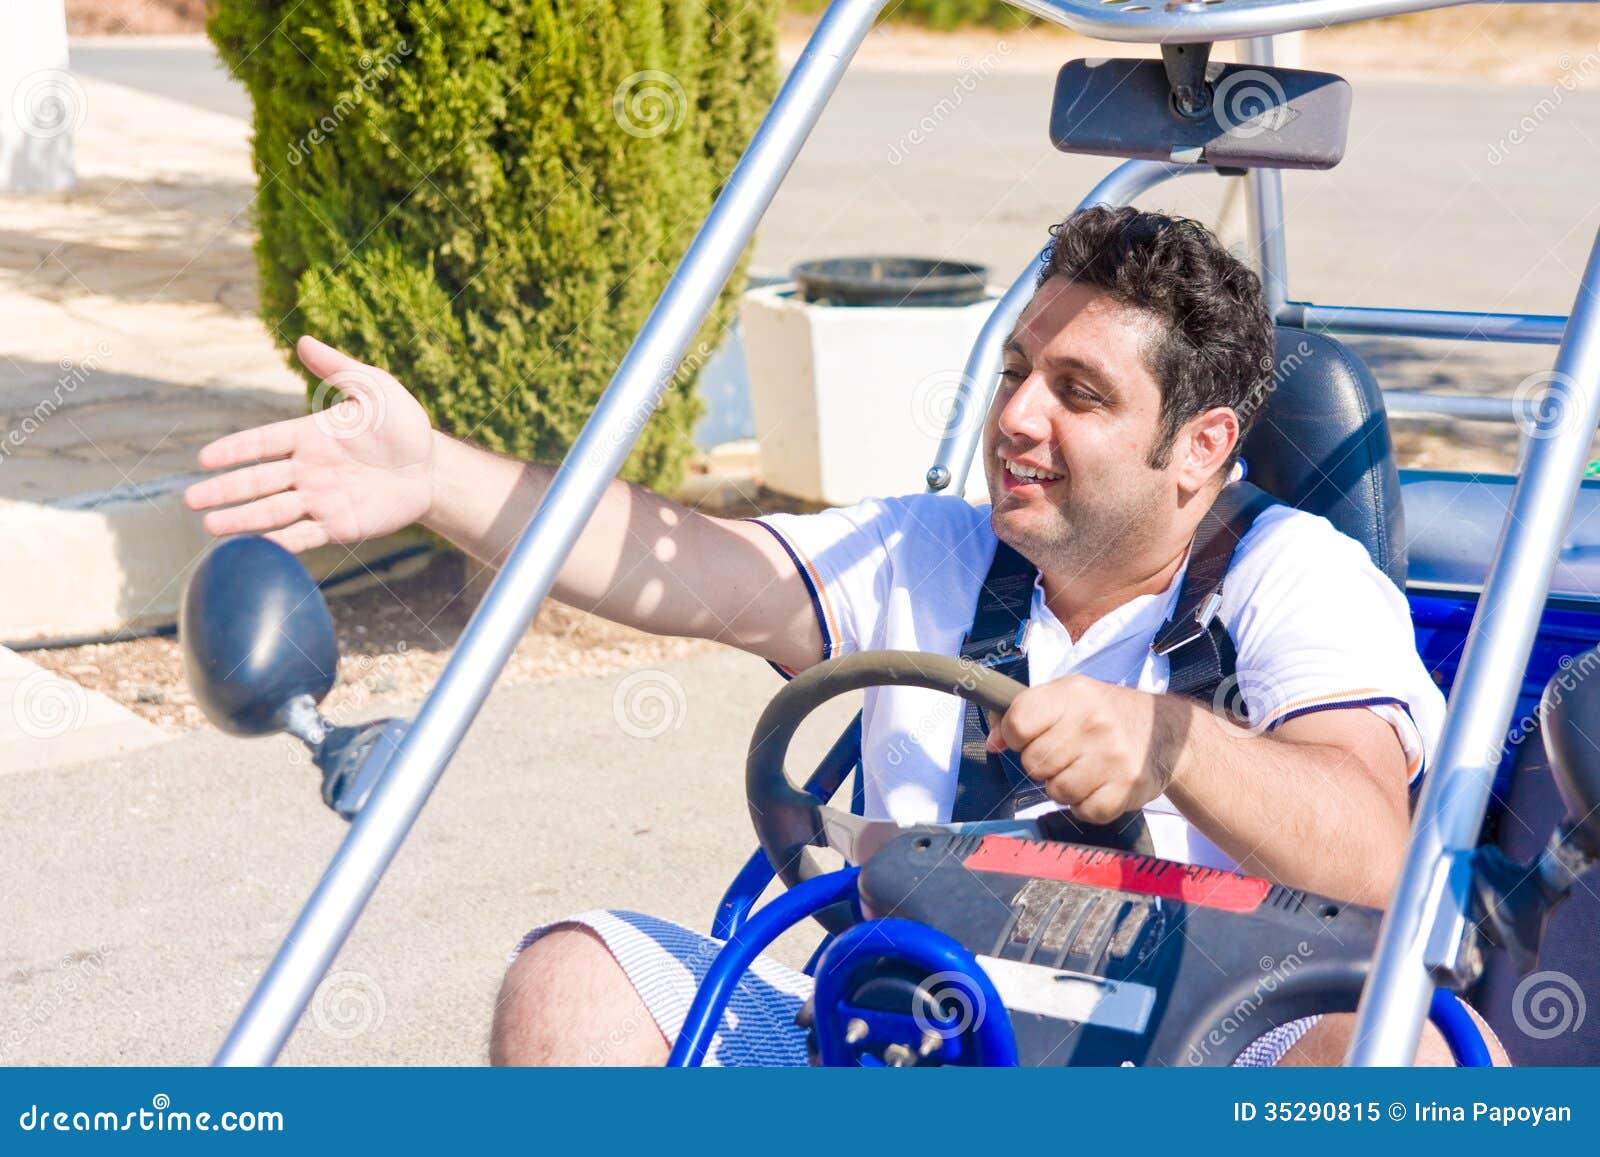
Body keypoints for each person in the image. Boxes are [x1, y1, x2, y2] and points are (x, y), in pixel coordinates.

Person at [185, 206, 1505, 1067]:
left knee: (1396, 1057)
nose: (1017, 417)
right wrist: (435, 482)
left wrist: (1171, 743)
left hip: (1199, 1047)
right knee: (575, 979)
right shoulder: (930, 551)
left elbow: (1374, 849)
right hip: (913, 1034)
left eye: (1079, 392)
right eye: (1015, 371)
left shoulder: (1297, 581)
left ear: (1198, 448)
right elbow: (682, 566)